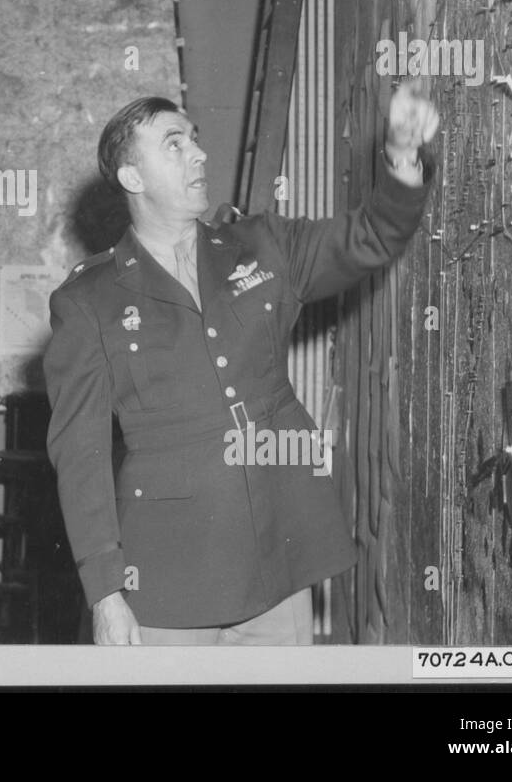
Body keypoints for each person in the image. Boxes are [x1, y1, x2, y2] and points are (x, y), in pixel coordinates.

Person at [44, 82, 439, 645]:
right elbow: (80, 457)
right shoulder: (88, 301)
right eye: (174, 144)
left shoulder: (262, 245)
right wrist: (106, 594)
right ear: (132, 178)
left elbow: (370, 238)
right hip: (168, 576)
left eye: (195, 140)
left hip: (279, 552)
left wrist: (403, 158)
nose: (199, 153)